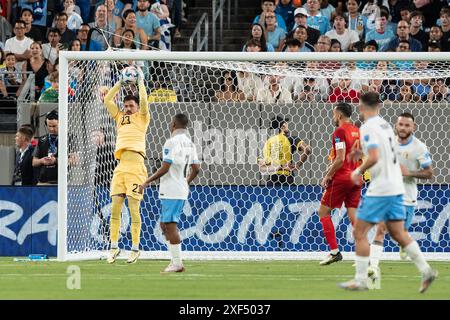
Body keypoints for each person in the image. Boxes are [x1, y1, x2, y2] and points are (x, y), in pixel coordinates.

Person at [339, 92, 438, 292]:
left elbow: (375, 156)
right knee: (398, 233)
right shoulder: (385, 125)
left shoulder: (367, 127)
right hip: (396, 186)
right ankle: (426, 270)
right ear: (380, 107)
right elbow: (384, 153)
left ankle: (360, 280)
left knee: (359, 231)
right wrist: (362, 154)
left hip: (382, 187)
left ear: (361, 107)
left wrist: (358, 170)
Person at [368, 112, 434, 272]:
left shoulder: (419, 147)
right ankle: (372, 268)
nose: (403, 128)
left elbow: (429, 173)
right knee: (380, 229)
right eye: (401, 124)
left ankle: (404, 244)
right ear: (396, 126)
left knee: (401, 234)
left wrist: (409, 173)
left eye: (407, 125)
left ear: (413, 127)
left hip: (407, 197)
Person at [139, 113, 200, 273]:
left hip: (171, 189)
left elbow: (165, 167)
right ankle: (175, 260)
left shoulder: (171, 142)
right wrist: (186, 181)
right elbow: (196, 169)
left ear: (173, 124)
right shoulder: (190, 144)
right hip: (180, 188)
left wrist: (147, 181)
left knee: (170, 226)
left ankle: (177, 263)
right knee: (164, 225)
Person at [103, 65, 149, 264]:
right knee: (115, 209)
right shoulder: (120, 117)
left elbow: (145, 102)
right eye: (126, 105)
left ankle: (135, 248)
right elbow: (107, 100)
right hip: (121, 167)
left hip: (137, 167)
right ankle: (113, 247)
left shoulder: (143, 117)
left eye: (131, 105)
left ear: (137, 108)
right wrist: (120, 83)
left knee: (133, 210)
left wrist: (139, 83)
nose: (128, 108)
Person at [318, 102, 361, 265]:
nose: (333, 117)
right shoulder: (357, 131)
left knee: (323, 212)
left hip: (343, 178)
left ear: (340, 115)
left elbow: (340, 158)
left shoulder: (340, 131)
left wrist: (327, 176)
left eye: (334, 113)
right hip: (356, 177)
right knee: (354, 217)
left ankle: (335, 252)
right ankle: (364, 255)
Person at [259, 116, 311, 186]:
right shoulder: (292, 139)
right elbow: (307, 149)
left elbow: (262, 168)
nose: (287, 125)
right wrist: (298, 165)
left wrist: (278, 166)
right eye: (286, 123)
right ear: (283, 126)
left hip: (271, 181)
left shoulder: (268, 142)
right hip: (287, 179)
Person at [32, 110, 58, 185]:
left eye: (54, 126)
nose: (51, 129)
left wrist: (55, 160)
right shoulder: (41, 140)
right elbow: (34, 162)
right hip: (43, 182)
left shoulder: (69, 138)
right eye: (49, 126)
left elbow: (75, 161)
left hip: (61, 183)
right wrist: (42, 161)